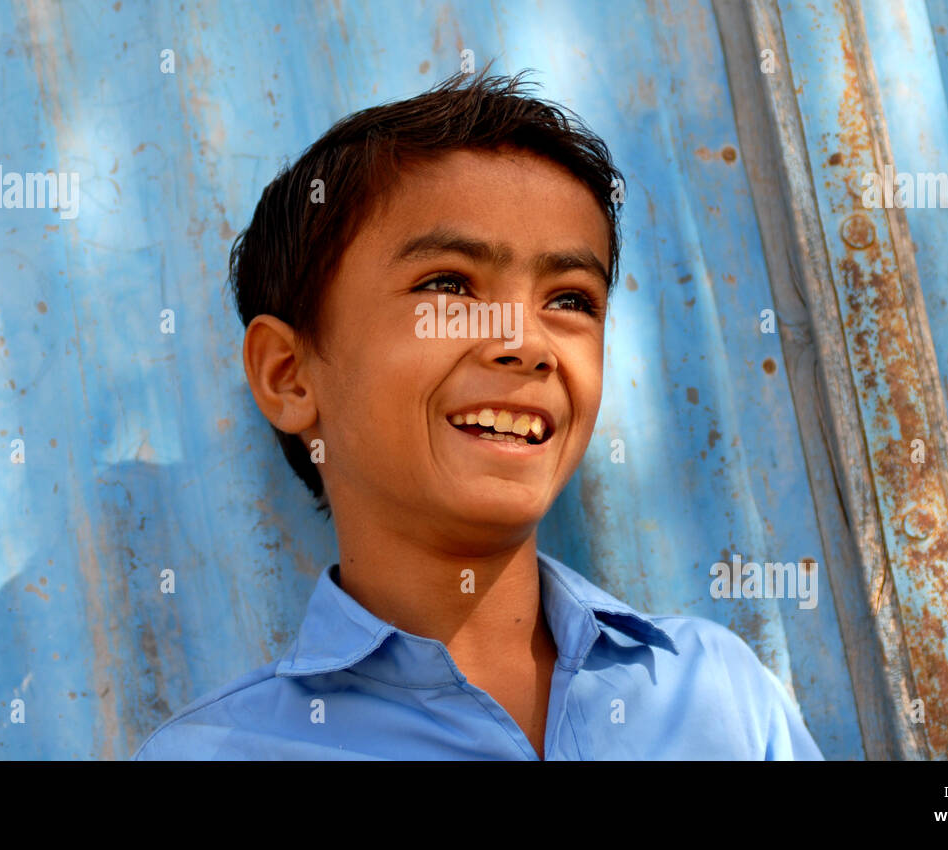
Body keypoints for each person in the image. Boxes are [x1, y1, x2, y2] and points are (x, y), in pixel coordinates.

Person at [133, 64, 824, 760]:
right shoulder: (221, 751)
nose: (527, 345)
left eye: (570, 300)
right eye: (449, 286)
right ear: (289, 376)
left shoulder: (714, 694)